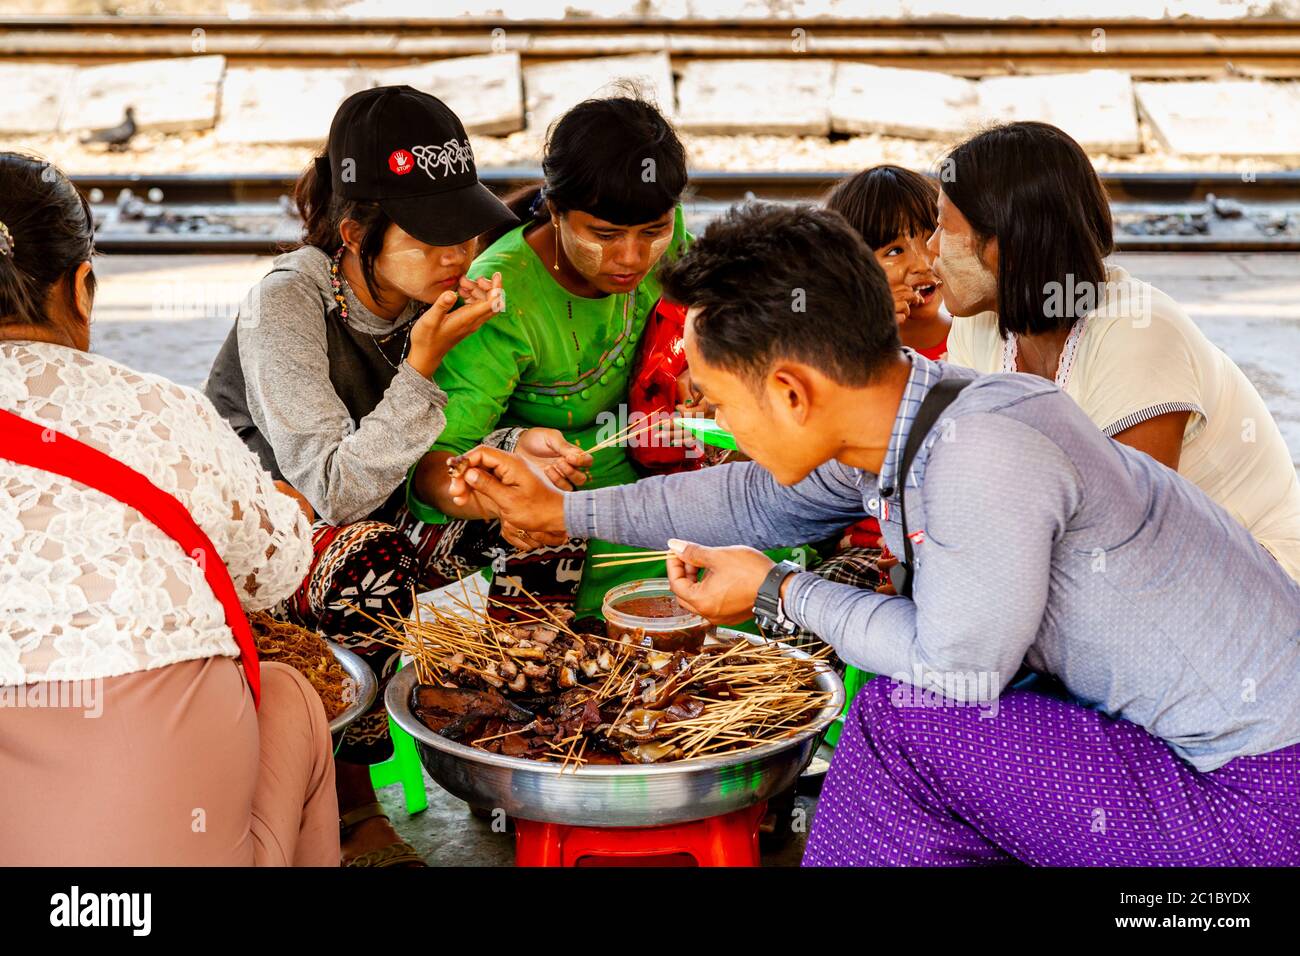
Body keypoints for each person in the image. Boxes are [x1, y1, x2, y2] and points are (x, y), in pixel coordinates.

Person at [442, 202, 1300, 866]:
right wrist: (558, 510)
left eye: (720, 402)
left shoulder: (981, 455)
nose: (716, 423)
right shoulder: (925, 411)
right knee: (905, 713)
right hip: (1196, 767)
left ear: (789, 392)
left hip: (1254, 810)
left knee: (906, 715)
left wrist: (779, 591)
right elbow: (751, 505)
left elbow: (956, 665)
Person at [205, 86, 583, 866]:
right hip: (273, 540)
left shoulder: (432, 295)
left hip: (387, 509)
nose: (461, 258)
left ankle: (507, 749)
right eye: (435, 239)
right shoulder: (288, 302)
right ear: (355, 234)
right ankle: (350, 809)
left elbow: (441, 445)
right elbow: (333, 489)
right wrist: (423, 365)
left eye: (466, 234)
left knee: (543, 522)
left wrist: (516, 445)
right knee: (364, 561)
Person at [0, 152, 338, 865]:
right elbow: (277, 571)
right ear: (82, 287)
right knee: (290, 697)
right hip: (152, 815)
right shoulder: (160, 410)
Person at [937, 121, 1300, 581]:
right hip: (1113, 573)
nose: (930, 248)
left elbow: (1126, 538)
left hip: (1248, 578)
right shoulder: (978, 328)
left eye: (943, 228)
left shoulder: (1139, 332)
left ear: (1005, 243)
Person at [402, 94, 690, 617]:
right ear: (556, 212)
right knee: (694, 574)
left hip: (658, 479)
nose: (632, 257)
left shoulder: (667, 231)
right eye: (604, 235)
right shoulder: (499, 298)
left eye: (654, 232)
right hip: (556, 517)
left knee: (772, 544)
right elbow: (431, 466)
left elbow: (708, 305)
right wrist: (497, 498)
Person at [816, 165, 952, 596]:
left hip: (947, 546)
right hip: (865, 545)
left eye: (932, 237)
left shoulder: (976, 340)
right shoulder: (840, 351)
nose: (923, 263)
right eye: (894, 251)